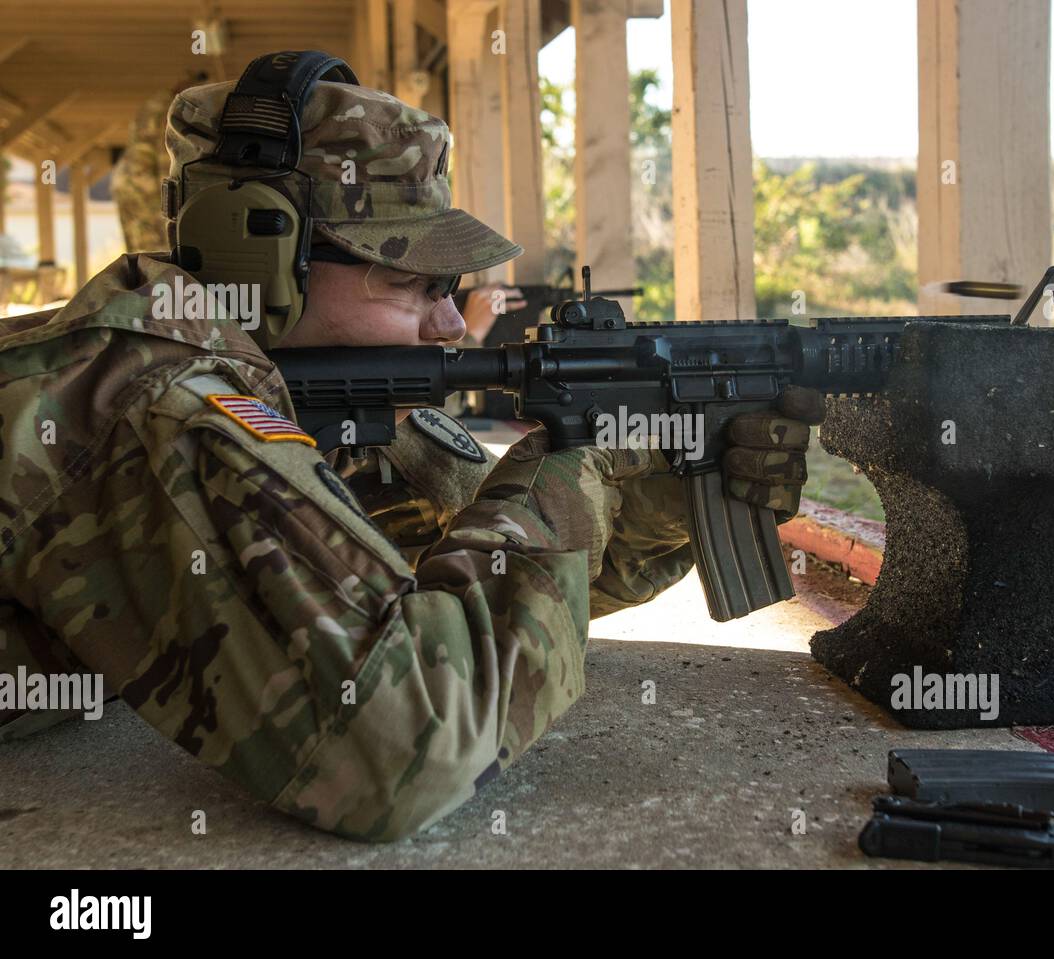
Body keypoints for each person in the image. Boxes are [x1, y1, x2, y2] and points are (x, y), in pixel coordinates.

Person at [0, 63, 820, 840]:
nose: (452, 324)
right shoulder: (152, 402)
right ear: (260, 251)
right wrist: (570, 470)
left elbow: (450, 593)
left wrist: (658, 484)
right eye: (417, 284)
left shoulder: (293, 395)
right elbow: (403, 746)